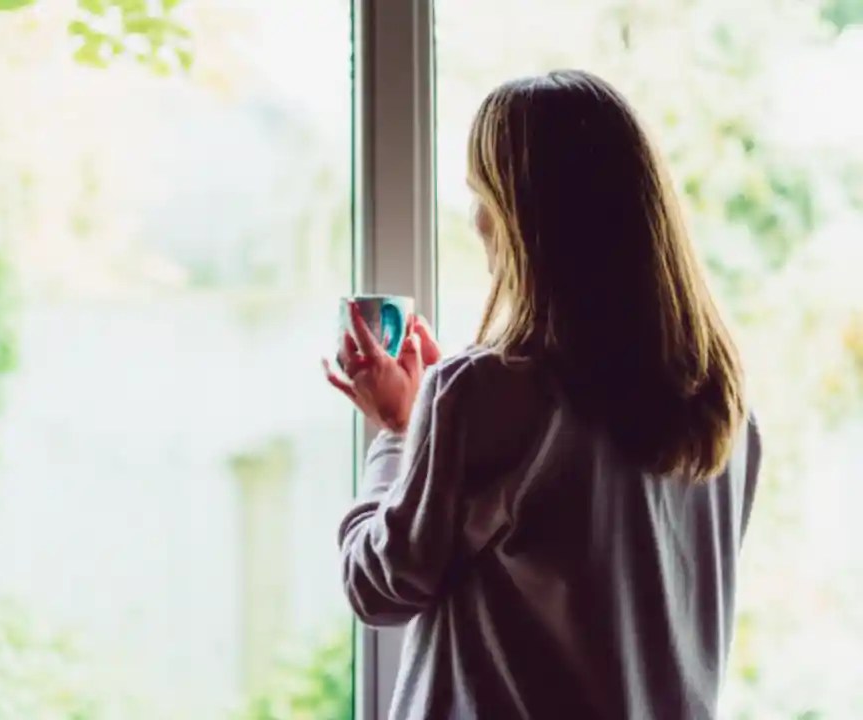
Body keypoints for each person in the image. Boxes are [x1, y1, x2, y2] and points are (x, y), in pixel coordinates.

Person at [322, 69, 761, 720]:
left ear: (523, 219)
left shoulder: (482, 392)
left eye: (482, 195)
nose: (476, 220)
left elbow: (378, 587)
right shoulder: (723, 408)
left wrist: (397, 433)